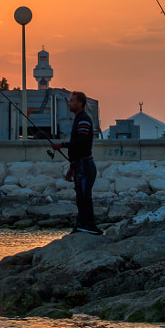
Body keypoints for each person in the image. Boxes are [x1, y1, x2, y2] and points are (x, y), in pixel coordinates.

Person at [52, 91, 98, 234]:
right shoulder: (78, 119)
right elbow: (78, 149)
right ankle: (81, 226)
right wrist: (71, 169)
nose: (69, 103)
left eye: (72, 101)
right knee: (81, 197)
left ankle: (87, 226)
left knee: (84, 197)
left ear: (80, 103)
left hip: (85, 166)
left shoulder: (83, 119)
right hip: (80, 165)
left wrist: (62, 145)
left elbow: (81, 143)